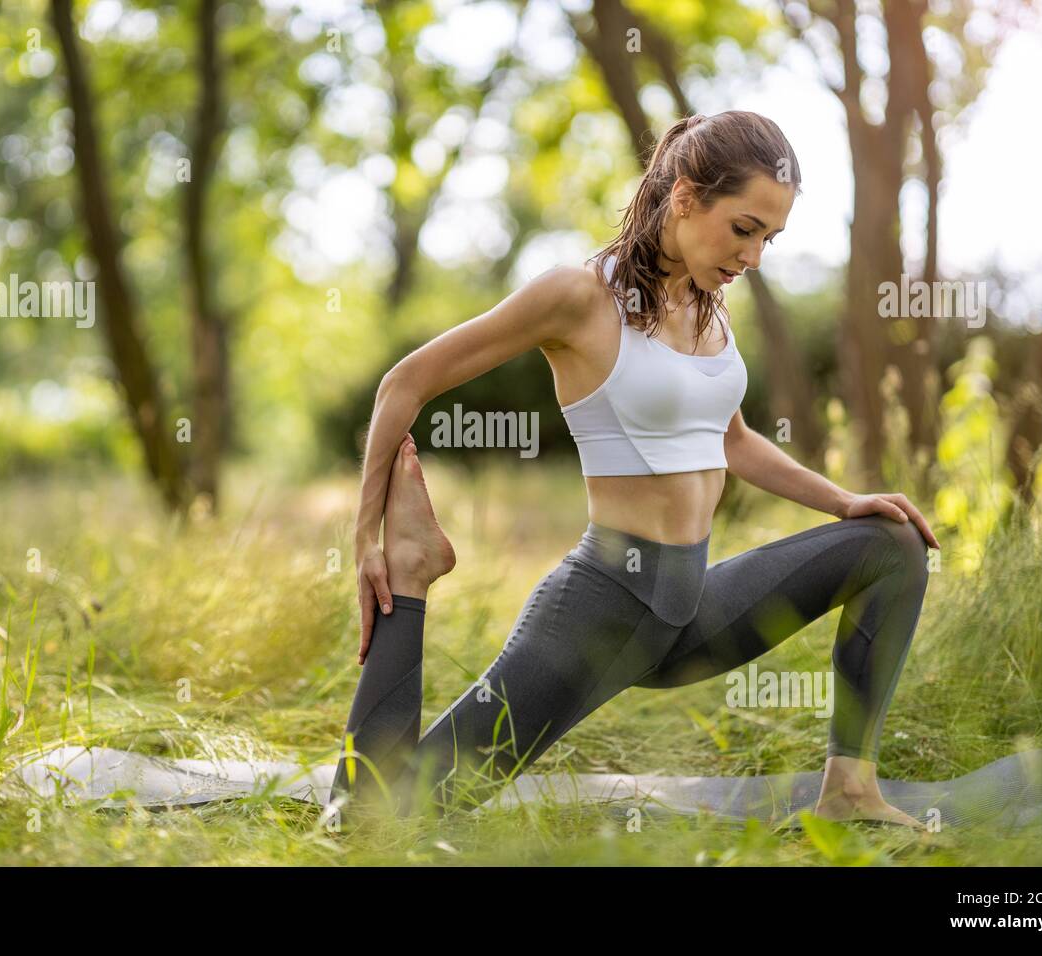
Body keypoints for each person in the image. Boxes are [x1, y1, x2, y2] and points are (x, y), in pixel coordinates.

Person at [334, 111, 938, 826]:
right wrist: (365, 535)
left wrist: (844, 502)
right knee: (376, 819)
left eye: (769, 239)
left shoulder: (709, 308)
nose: (754, 256)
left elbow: (733, 439)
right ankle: (411, 568)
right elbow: (405, 381)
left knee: (893, 545)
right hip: (597, 618)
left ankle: (849, 793)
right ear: (684, 197)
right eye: (744, 229)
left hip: (690, 615)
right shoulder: (579, 297)